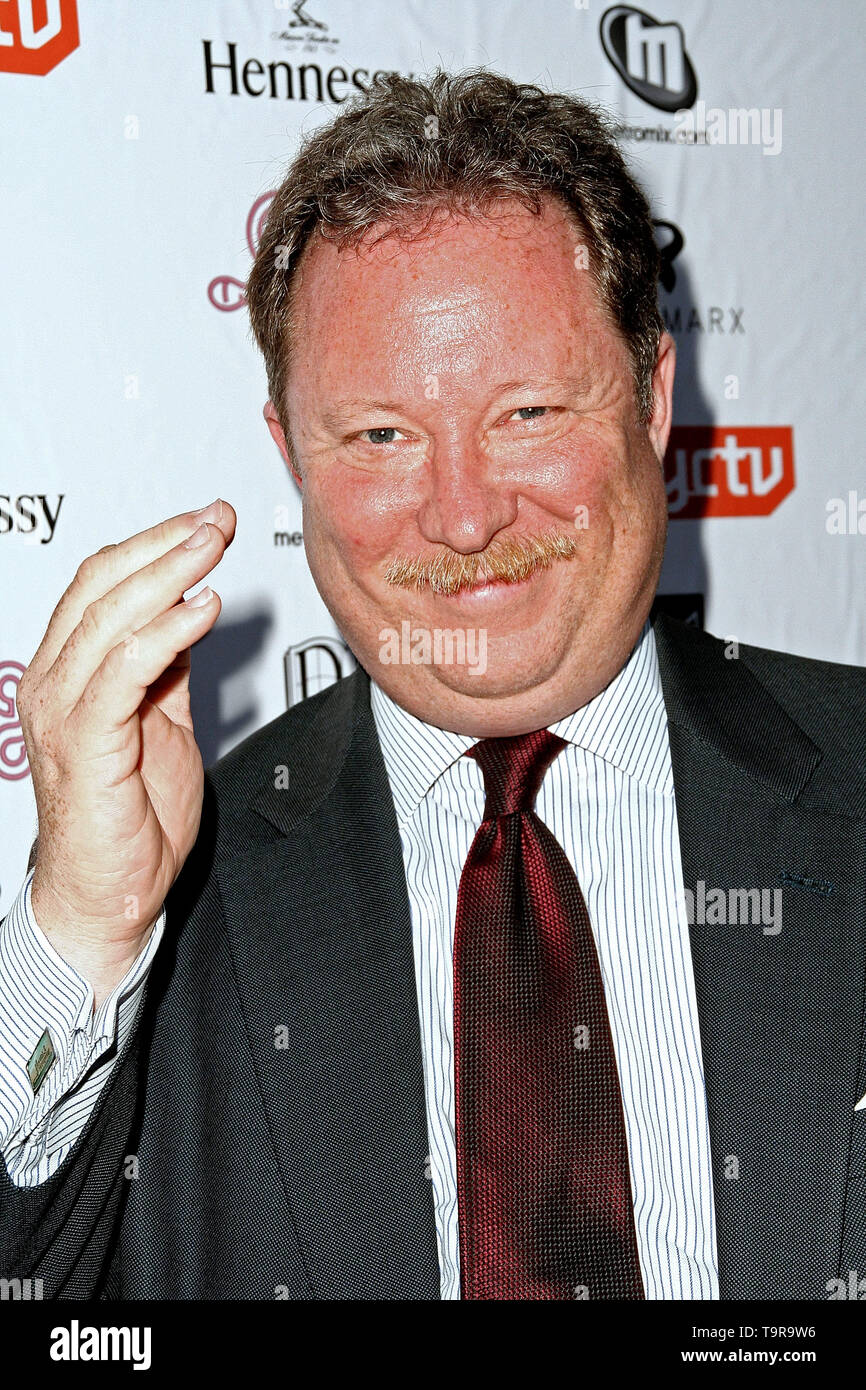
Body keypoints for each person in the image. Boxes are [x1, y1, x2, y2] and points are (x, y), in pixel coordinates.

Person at [1, 69, 864, 1302]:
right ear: (287, 451)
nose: (462, 516)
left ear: (655, 398)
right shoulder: (167, 912)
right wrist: (83, 924)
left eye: (524, 410)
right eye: (379, 437)